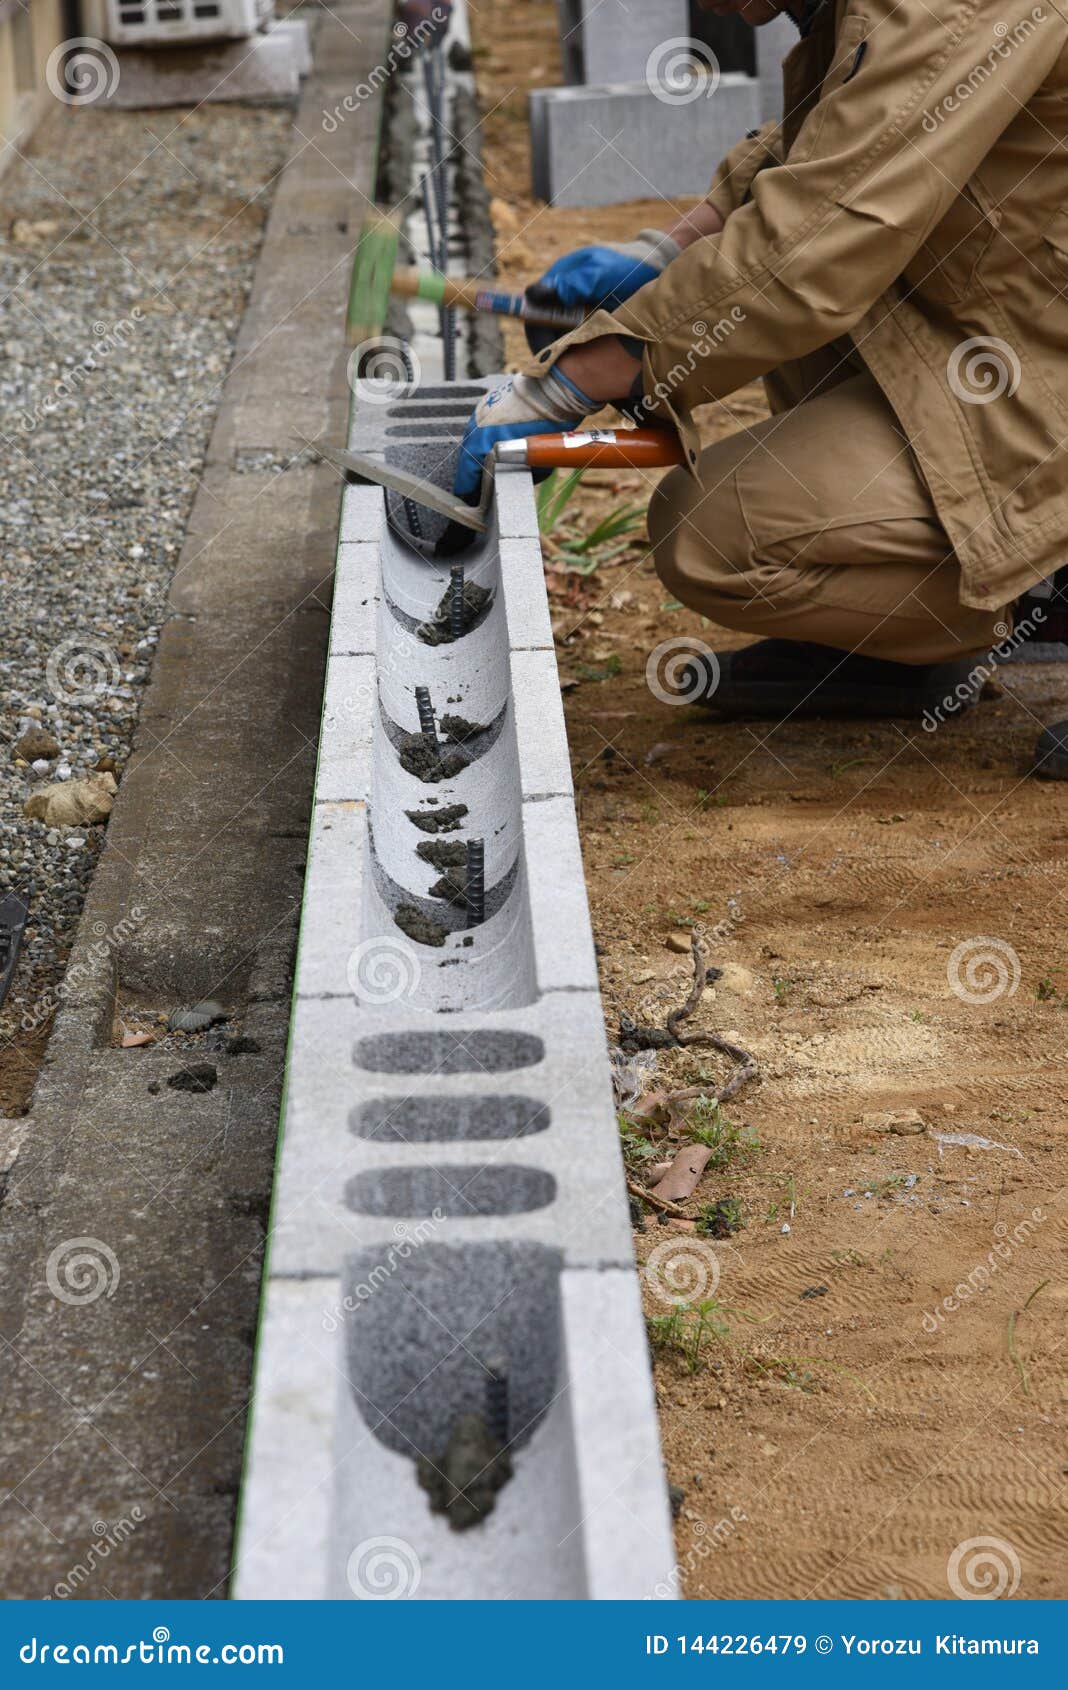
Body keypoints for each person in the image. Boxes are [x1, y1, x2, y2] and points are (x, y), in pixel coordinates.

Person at [455, 0, 1068, 775]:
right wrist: (668, 251)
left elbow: (821, 236)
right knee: (761, 300)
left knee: (712, 535)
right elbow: (840, 144)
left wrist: (568, 385)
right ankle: (889, 652)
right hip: (1011, 332)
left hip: (1040, 357)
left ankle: (1043, 587)